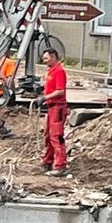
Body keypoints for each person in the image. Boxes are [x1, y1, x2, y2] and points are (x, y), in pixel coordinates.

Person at [34, 48, 69, 177]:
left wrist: (45, 97)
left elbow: (60, 91)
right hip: (51, 107)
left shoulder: (59, 71)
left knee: (56, 136)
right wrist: (42, 88)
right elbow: (52, 86)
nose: (44, 61)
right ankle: (48, 161)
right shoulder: (51, 71)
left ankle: (61, 166)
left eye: (46, 58)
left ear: (54, 57)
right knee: (48, 136)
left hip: (58, 108)